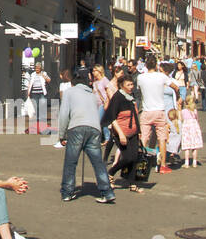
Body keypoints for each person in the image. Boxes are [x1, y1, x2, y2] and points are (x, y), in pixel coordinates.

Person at [58, 65, 114, 203]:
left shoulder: (69, 93)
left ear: (73, 83)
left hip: (77, 126)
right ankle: (107, 191)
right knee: (98, 162)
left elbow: (64, 114)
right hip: (94, 128)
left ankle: (67, 191)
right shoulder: (91, 94)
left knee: (71, 162)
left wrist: (62, 134)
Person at [135, 55, 179, 174]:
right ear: (156, 65)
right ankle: (163, 165)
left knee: (144, 138)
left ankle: (140, 164)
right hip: (160, 111)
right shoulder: (162, 76)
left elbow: (138, 90)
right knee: (162, 139)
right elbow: (175, 87)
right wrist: (178, 97)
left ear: (145, 65)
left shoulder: (140, 77)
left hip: (146, 111)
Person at [102, 73, 144, 191]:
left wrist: (139, 131)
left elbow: (135, 114)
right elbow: (112, 117)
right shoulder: (118, 97)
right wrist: (120, 134)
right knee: (127, 158)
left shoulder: (131, 96)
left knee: (135, 157)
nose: (131, 87)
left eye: (132, 84)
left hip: (134, 132)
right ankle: (111, 172)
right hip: (121, 132)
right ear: (121, 85)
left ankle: (132, 183)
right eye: (128, 85)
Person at [179, 91, 204, 167]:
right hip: (194, 127)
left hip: (186, 128)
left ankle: (186, 163)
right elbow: (196, 119)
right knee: (194, 147)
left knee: (187, 147)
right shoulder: (195, 111)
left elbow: (181, 119)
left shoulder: (183, 111)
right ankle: (194, 162)